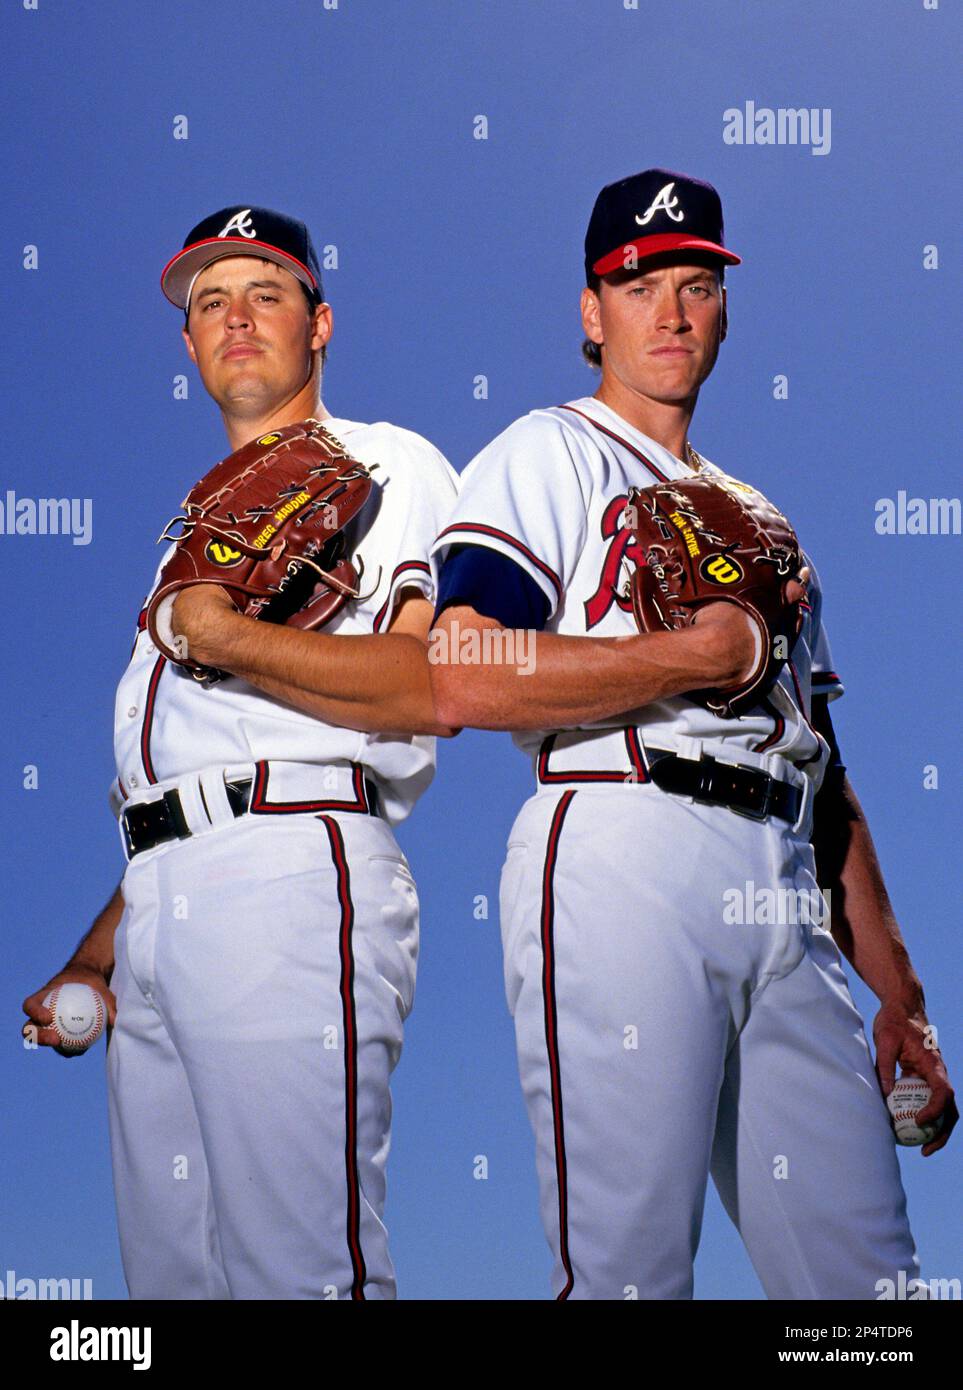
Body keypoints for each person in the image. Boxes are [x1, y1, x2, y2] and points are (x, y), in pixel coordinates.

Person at [427, 169, 956, 1300]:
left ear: (725, 307)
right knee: (633, 1274)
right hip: (621, 837)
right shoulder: (549, 450)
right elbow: (461, 668)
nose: (671, 312)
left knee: (875, 1296)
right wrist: (687, 657)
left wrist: (902, 1001)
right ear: (590, 311)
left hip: (782, 883)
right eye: (638, 283)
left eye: (696, 285)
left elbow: (826, 773)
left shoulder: (761, 517)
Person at [23, 204, 457, 1300]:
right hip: (164, 899)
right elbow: (182, 788)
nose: (237, 318)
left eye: (268, 292)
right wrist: (96, 954)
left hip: (295, 871)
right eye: (210, 302)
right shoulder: (194, 534)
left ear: (321, 323)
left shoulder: (387, 459)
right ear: (187, 348)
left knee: (301, 1277)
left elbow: (431, 686)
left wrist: (218, 634)